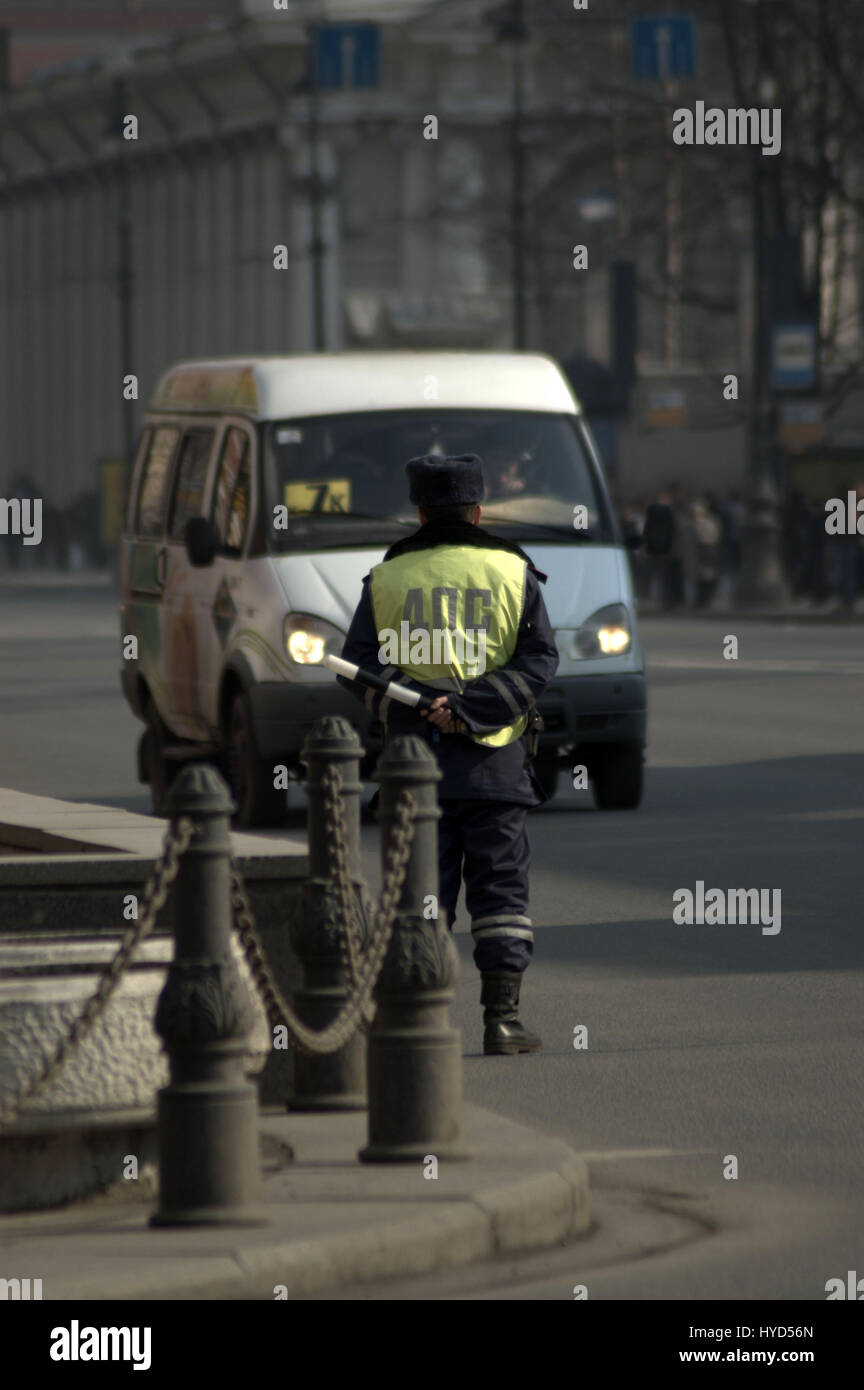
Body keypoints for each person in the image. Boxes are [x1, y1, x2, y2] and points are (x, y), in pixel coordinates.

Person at [337, 453, 560, 1055]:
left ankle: (415, 1021)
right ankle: (503, 1020)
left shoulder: (385, 578)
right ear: (479, 509)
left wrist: (420, 706)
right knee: (501, 895)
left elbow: (357, 669)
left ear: (420, 512)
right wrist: (474, 707)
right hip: (494, 767)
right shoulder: (513, 572)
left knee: (419, 898)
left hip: (415, 770)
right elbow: (539, 661)